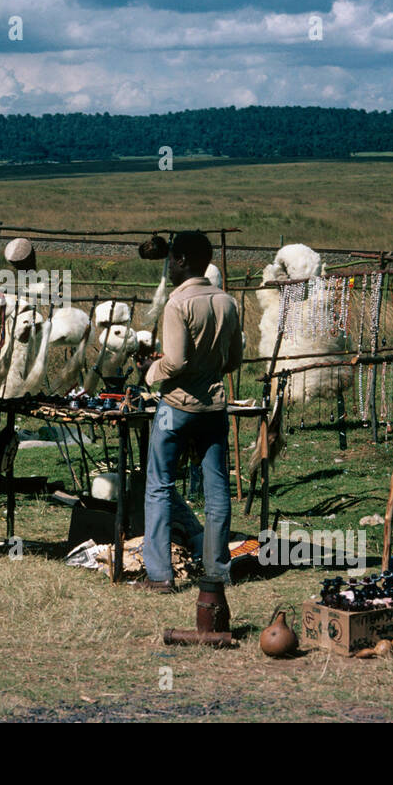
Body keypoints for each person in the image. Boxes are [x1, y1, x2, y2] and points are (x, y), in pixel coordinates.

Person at [138, 231, 242, 592]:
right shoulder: (228, 302)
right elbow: (233, 360)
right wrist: (208, 368)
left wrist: (151, 372)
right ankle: (217, 571)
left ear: (182, 261)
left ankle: (160, 575)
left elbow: (177, 361)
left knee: (159, 487)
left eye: (171, 260)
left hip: (177, 406)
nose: (168, 265)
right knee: (217, 491)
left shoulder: (177, 304)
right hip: (213, 406)